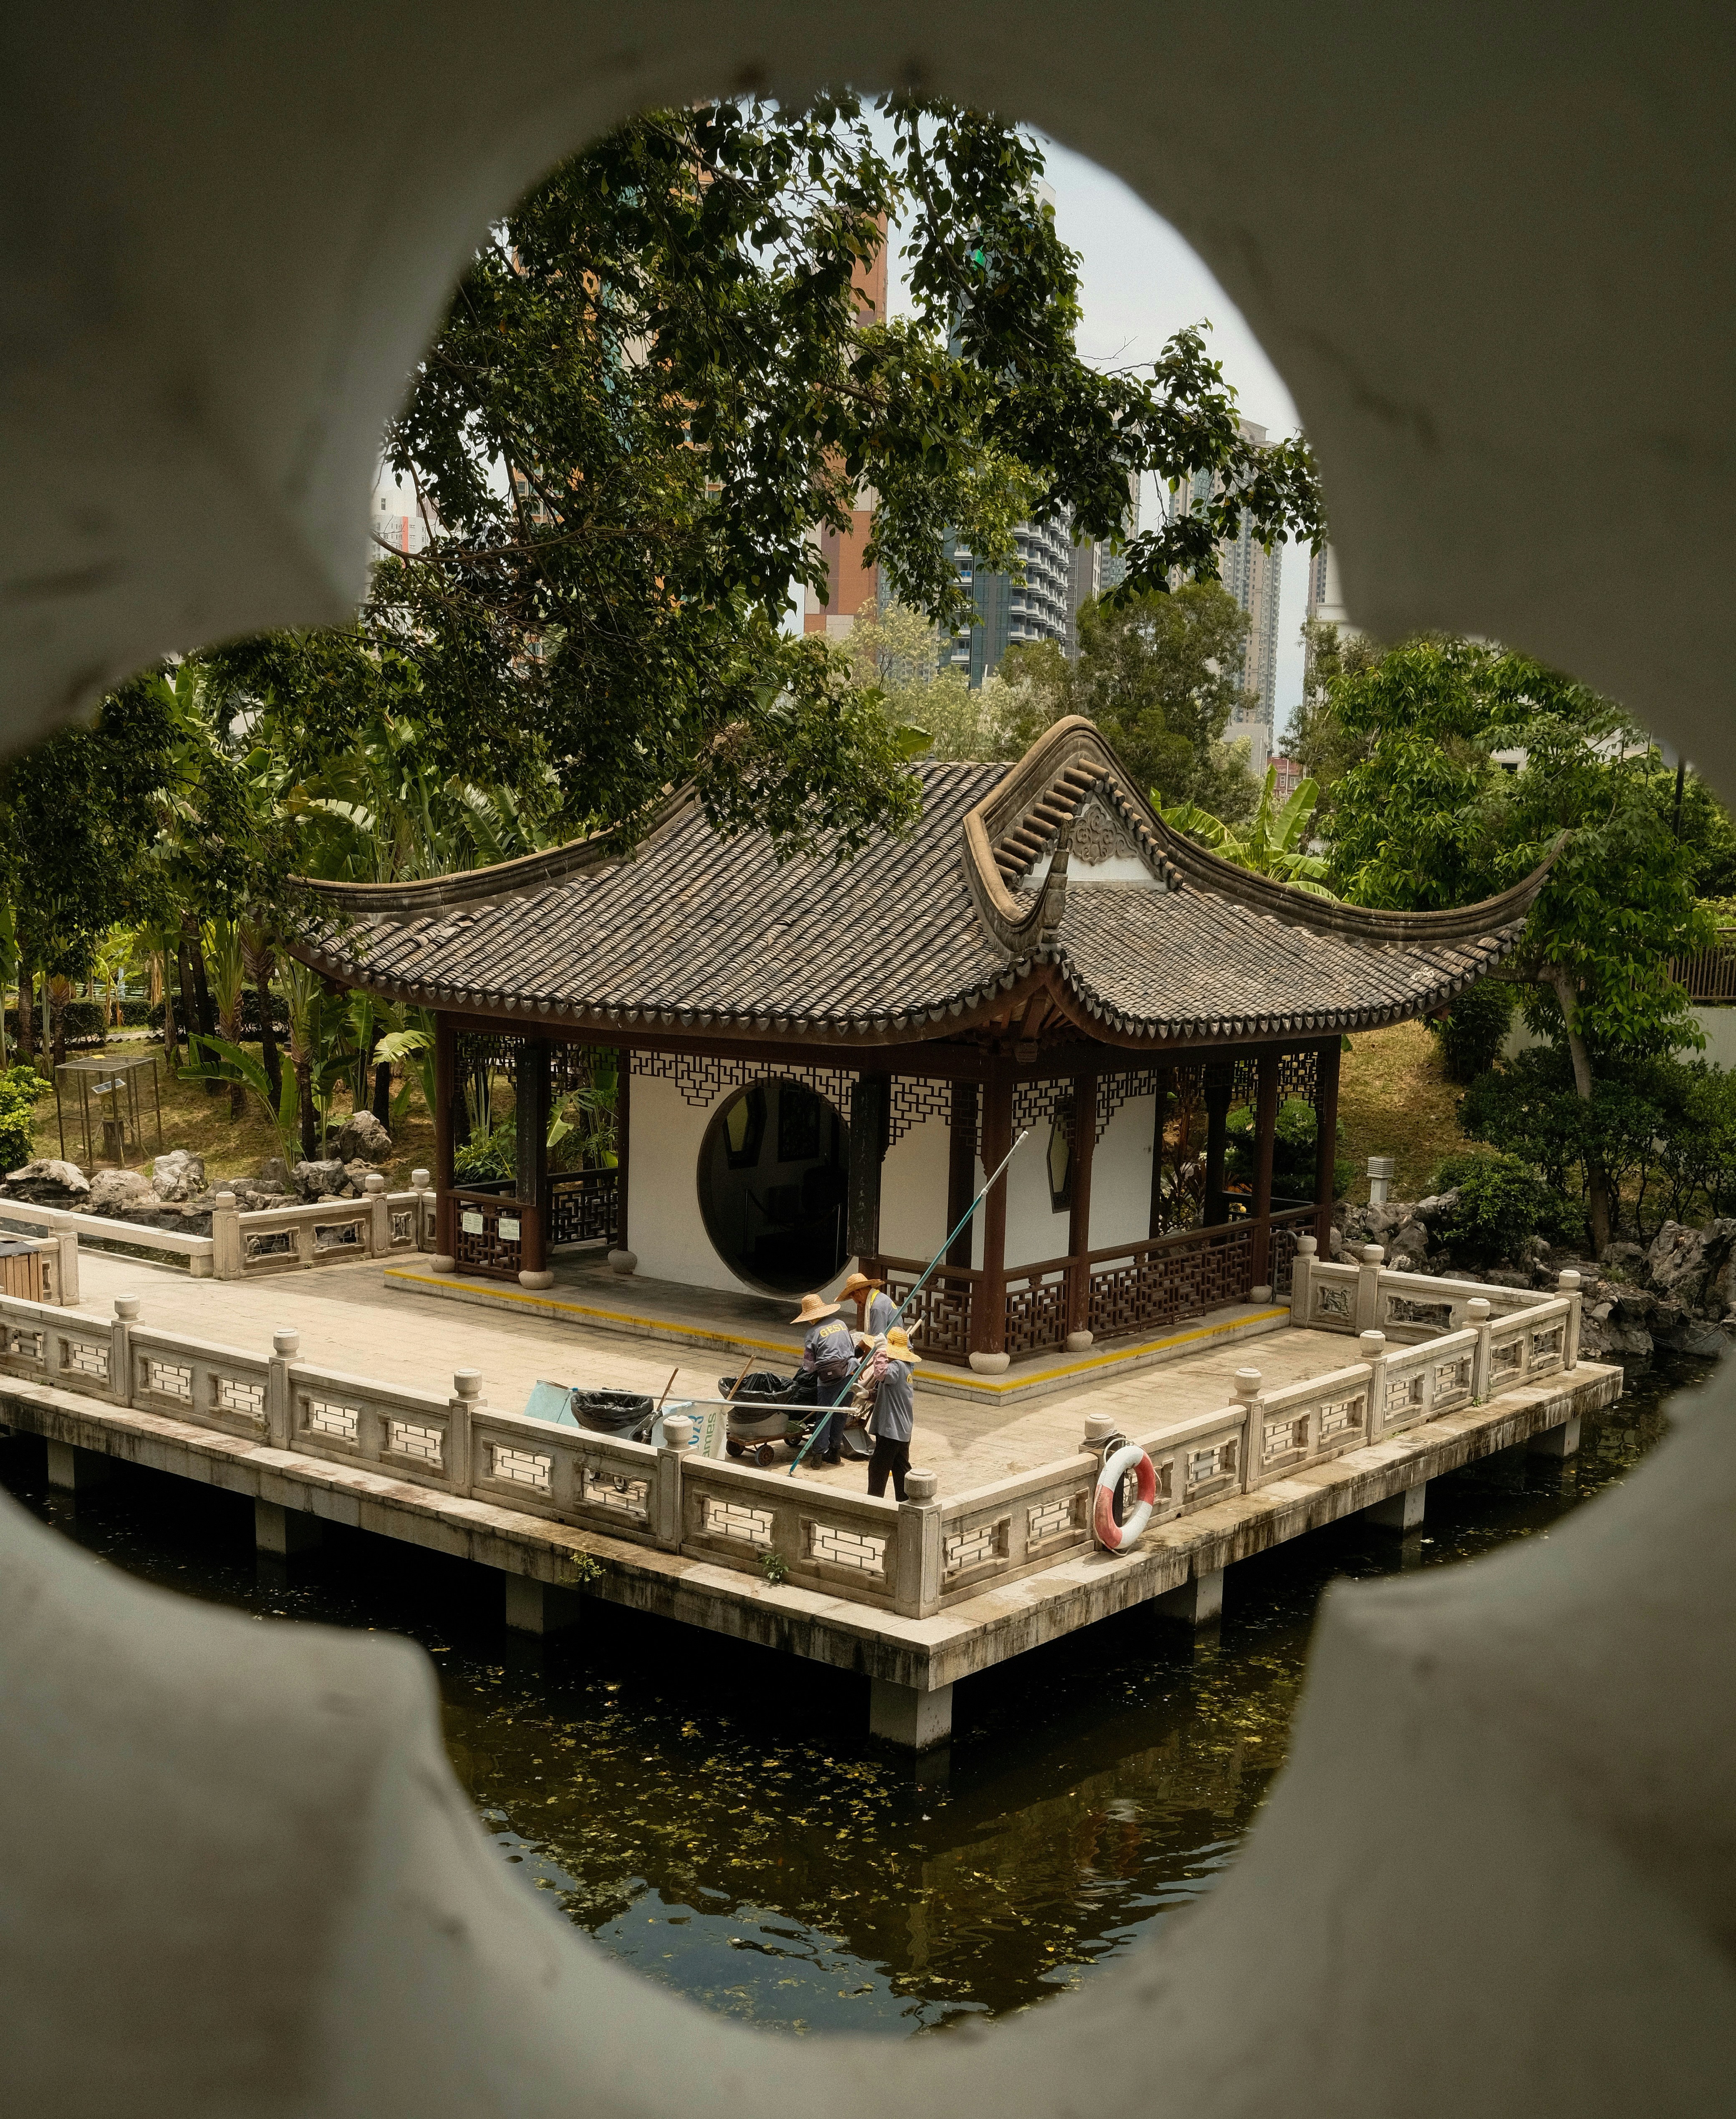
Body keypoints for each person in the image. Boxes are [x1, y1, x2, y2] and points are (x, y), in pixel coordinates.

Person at [790, 1290, 855, 1465]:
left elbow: (809, 1366)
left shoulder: (812, 1333)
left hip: (828, 1379)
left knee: (824, 1415)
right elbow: (851, 1349)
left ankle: (818, 1455)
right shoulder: (841, 1324)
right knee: (840, 1414)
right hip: (850, 1374)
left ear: (811, 1317)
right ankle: (835, 1453)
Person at [863, 1326, 920, 1500]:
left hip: (892, 1428)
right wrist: (868, 1395)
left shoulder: (897, 1366)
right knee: (901, 1468)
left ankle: (873, 1502)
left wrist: (880, 1350)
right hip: (902, 1428)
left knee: (878, 1467)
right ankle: (906, 1503)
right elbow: (890, 1393)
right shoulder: (907, 1367)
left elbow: (881, 1374)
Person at [839, 1270, 897, 1340]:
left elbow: (876, 1340)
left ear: (857, 1293)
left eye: (859, 1302)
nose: (860, 1305)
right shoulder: (880, 1298)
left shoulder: (877, 1307)